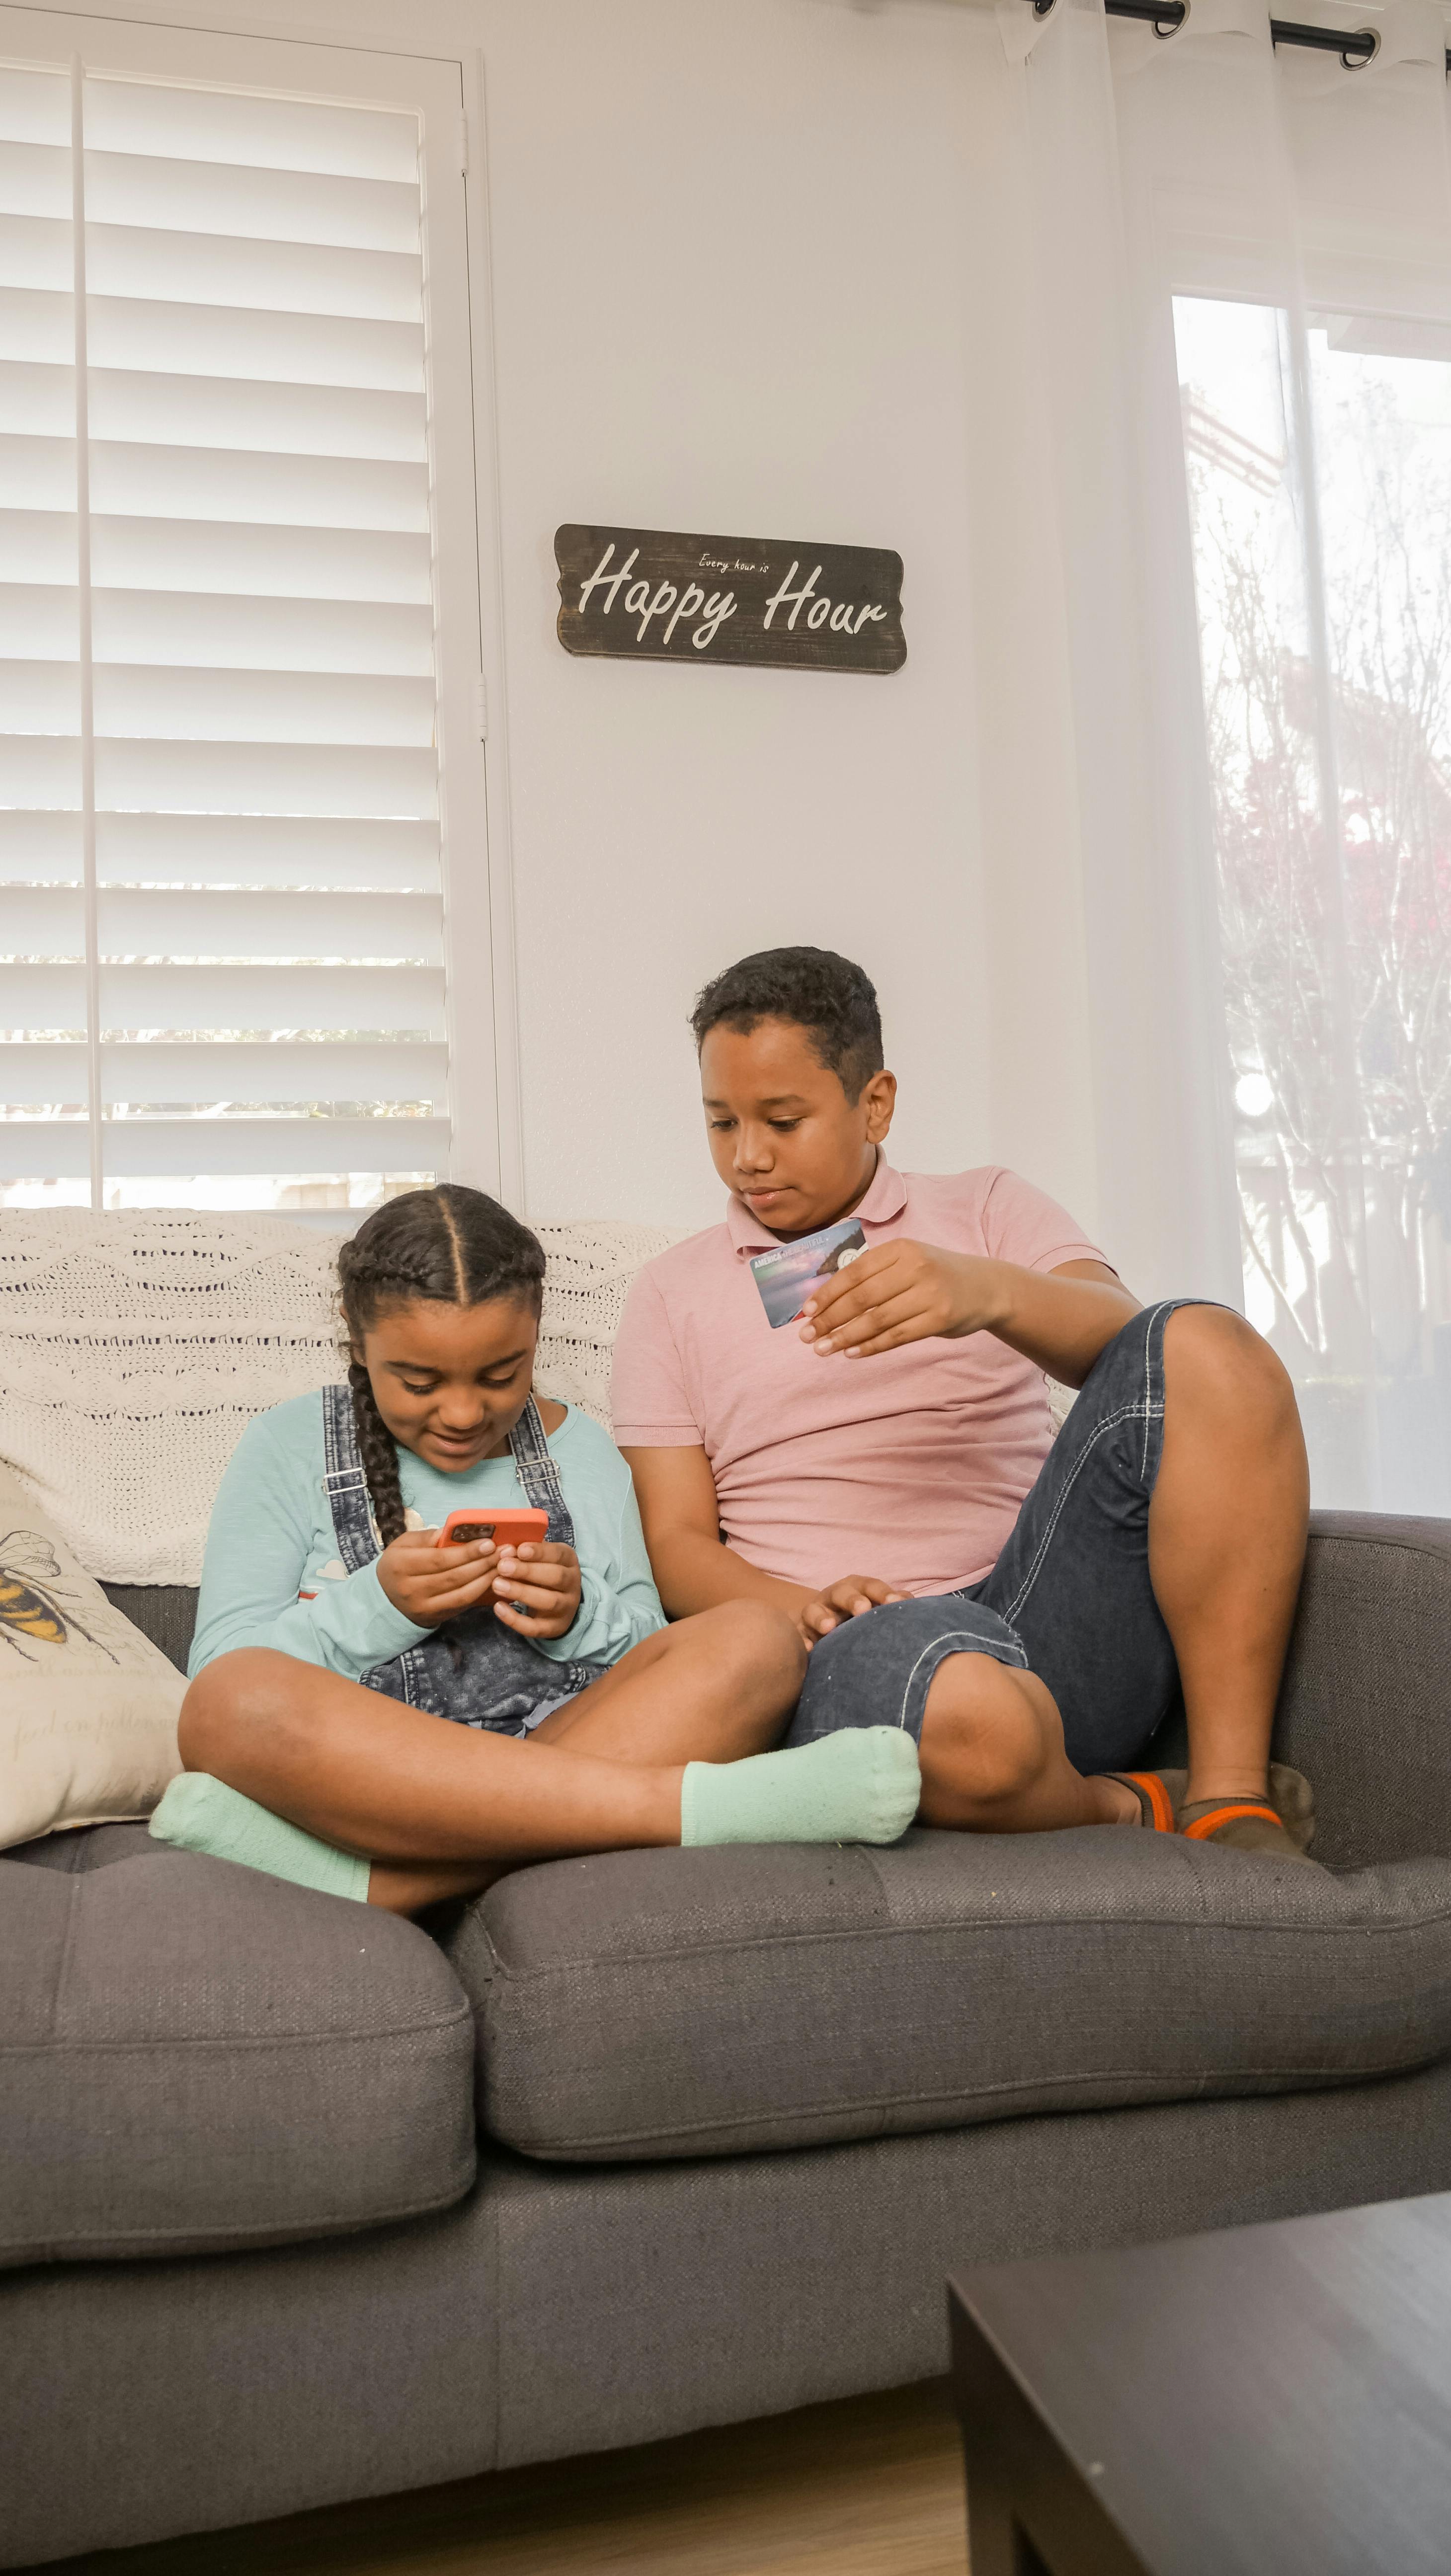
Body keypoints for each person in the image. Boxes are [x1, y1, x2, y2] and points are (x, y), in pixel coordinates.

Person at [612, 948, 1315, 1863]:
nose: (748, 1157)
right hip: (861, 1650)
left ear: (875, 1104)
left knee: (1209, 1340)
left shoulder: (986, 1209)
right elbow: (674, 1547)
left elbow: (1140, 1351)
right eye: (721, 1123)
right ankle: (1124, 1807)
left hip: (1047, 1611)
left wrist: (986, 1293)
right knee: (969, 1712)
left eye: (783, 1120)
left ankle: (1229, 1797)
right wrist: (810, 1611)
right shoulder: (670, 1295)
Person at [149, 1185, 920, 1913]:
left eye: (499, 1375)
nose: (461, 1412)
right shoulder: (288, 1447)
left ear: (535, 1339)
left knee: (755, 1638)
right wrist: (377, 1605)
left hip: (569, 1739)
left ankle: (396, 1885)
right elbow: (218, 1669)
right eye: (418, 1382)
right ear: (357, 1341)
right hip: (369, 1780)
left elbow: (656, 1647)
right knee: (229, 1702)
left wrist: (581, 1612)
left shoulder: (579, 1452)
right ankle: (702, 1807)